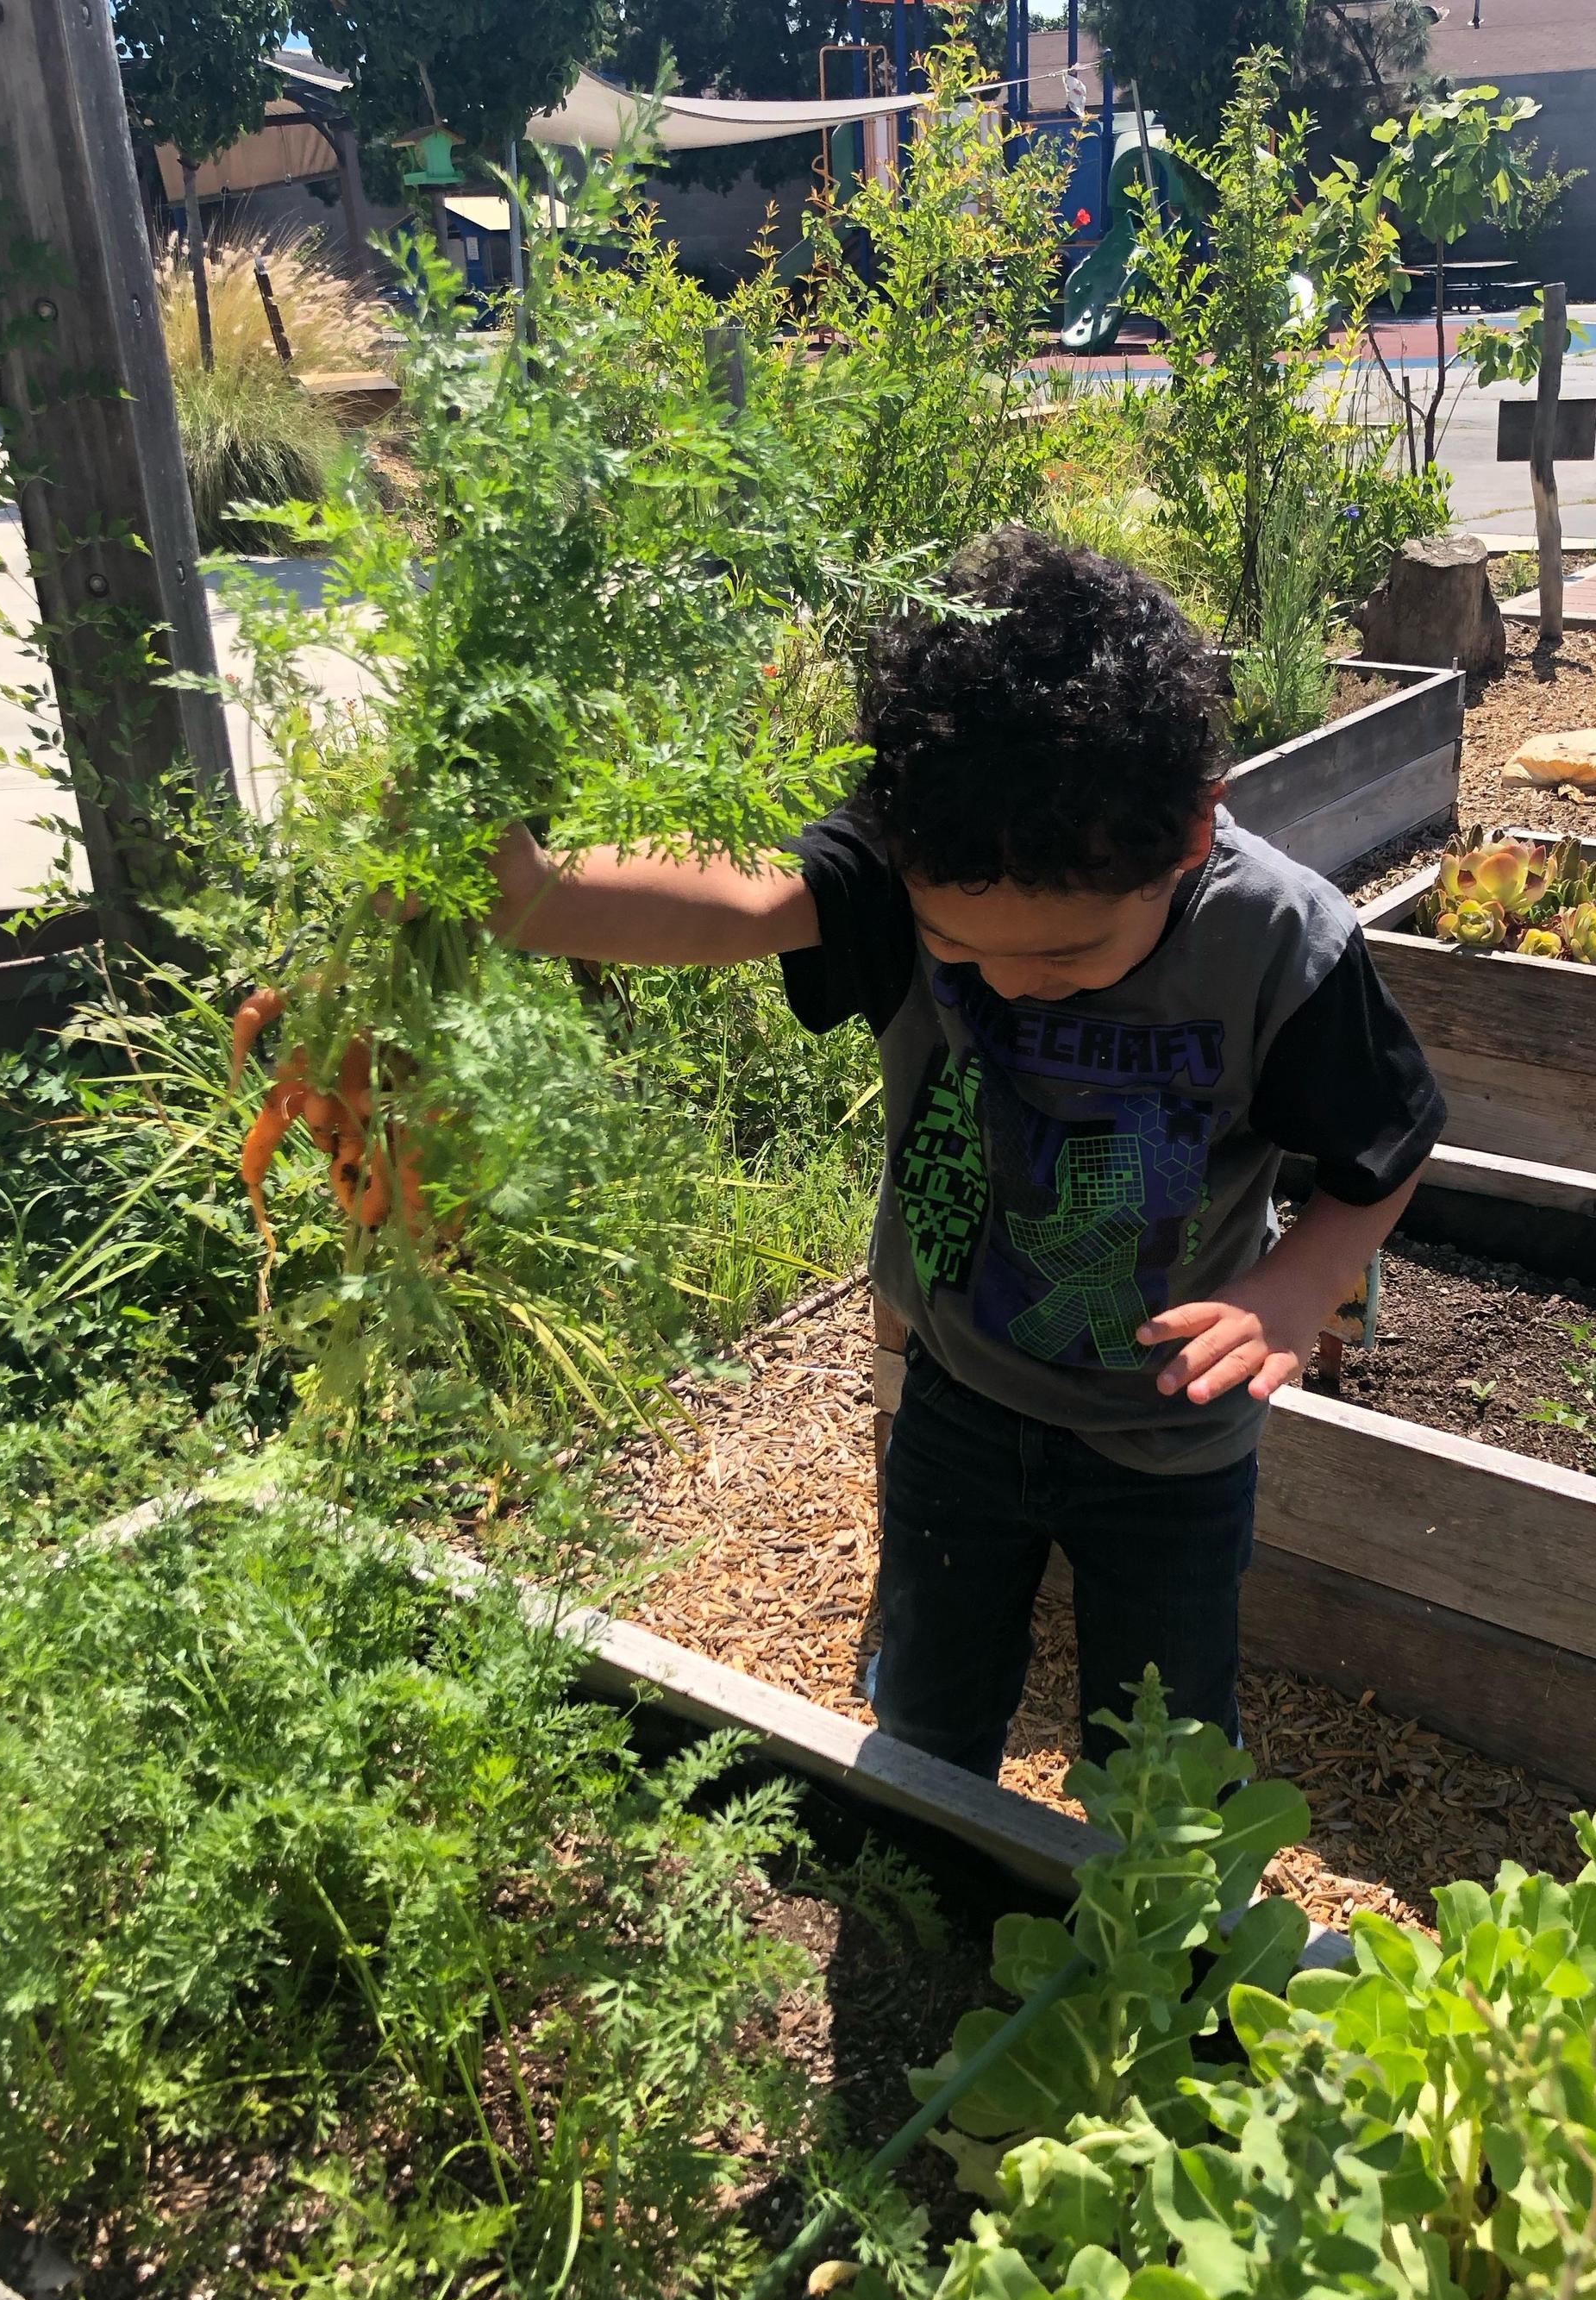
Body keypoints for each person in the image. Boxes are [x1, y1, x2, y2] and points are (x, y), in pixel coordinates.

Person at [480, 528, 1445, 1777]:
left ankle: (1162, 1936)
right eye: (966, 952)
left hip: (1169, 1442)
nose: (1016, 988)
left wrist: (1296, 1285)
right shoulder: (914, 857)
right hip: (958, 1390)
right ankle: (918, 1887)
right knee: (929, 1706)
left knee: (1163, 1754)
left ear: (1192, 838)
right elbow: (741, 900)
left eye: (1065, 958)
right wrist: (533, 895)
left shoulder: (1276, 943)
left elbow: (1389, 1142)